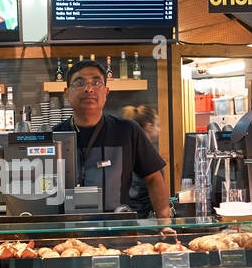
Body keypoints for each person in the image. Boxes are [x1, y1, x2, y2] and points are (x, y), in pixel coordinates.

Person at [53, 59, 171, 219]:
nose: (89, 89)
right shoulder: (54, 136)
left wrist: (164, 222)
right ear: (67, 93)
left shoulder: (127, 131)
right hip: (67, 235)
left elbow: (154, 178)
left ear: (106, 92)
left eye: (96, 83)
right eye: (80, 83)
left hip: (117, 234)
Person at [121, 105, 162, 217]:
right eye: (158, 125)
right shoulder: (142, 155)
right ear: (149, 126)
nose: (159, 129)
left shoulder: (130, 151)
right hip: (140, 220)